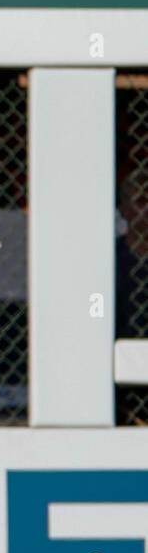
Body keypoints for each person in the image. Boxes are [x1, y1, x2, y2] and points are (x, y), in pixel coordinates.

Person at [116, 176, 148, 424]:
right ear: (124, 210)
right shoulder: (109, 259)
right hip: (121, 377)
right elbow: (94, 305)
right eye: (141, 201)